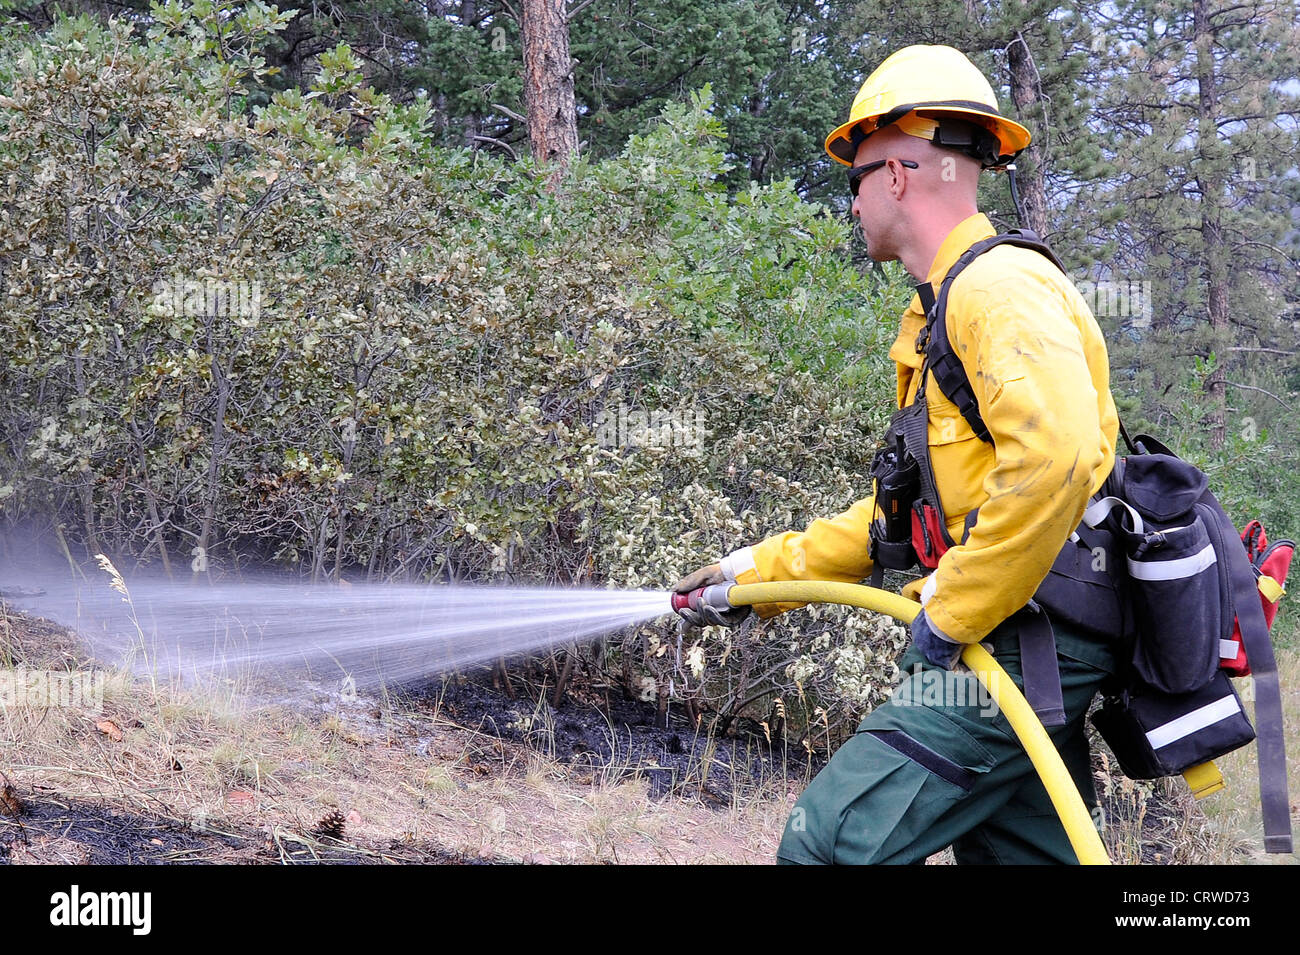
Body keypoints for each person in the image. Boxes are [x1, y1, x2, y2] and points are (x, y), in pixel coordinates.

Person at [674, 44, 1122, 864]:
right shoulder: (944, 311)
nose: (851, 203)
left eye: (855, 178)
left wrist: (950, 614)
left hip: (1020, 642)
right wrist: (757, 572)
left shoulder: (998, 290)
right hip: (1015, 639)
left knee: (828, 843)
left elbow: (1055, 459)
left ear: (898, 174)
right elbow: (903, 518)